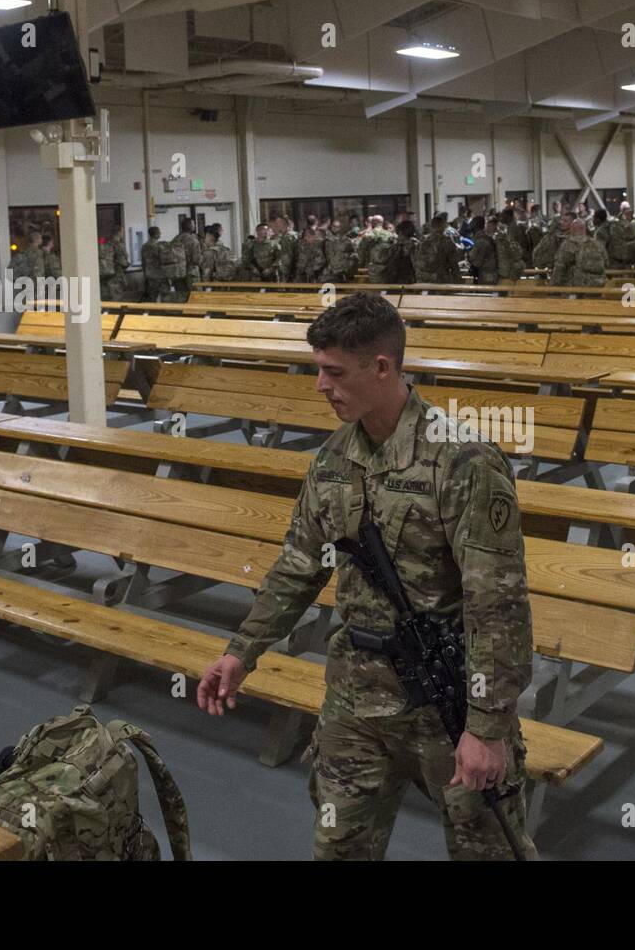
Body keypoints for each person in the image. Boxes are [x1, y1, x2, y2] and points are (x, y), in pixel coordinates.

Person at [196, 292, 537, 861]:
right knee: (340, 847)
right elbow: (298, 567)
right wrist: (241, 650)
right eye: (318, 370)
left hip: (442, 701)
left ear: (382, 367)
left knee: (487, 849)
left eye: (333, 372)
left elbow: (496, 604)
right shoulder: (333, 460)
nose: (320, 386)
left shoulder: (462, 461)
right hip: (355, 700)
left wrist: (489, 726)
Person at [551, 218, 607, 287]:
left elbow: (559, 267)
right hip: (599, 284)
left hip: (577, 286)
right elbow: (606, 262)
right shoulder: (597, 244)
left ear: (572, 229)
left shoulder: (568, 244)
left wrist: (553, 286)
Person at [413, 213, 462, 284]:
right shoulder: (447, 241)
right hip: (441, 280)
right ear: (443, 227)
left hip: (424, 280)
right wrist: (457, 281)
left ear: (431, 227)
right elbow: (454, 264)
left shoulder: (422, 241)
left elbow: (416, 261)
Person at [172, 218, 202, 300]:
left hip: (177, 273)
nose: (195, 226)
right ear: (190, 226)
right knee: (196, 297)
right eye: (194, 224)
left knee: (182, 297)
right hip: (191, 273)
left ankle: (184, 312)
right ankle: (197, 313)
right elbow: (197, 260)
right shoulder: (193, 240)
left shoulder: (175, 239)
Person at [98, 226, 130, 300]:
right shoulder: (117, 244)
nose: (123, 234)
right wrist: (127, 264)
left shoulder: (105, 242)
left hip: (103, 273)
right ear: (119, 232)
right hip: (115, 274)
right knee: (117, 296)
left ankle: (106, 310)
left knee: (105, 296)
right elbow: (122, 261)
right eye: (122, 232)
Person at [468, 217, 499, 285]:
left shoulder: (481, 241)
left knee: (485, 294)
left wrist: (469, 257)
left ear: (475, 226)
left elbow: (477, 262)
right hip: (486, 275)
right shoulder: (483, 238)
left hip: (487, 276)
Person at [141, 226, 165, 300]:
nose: (160, 233)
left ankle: (151, 310)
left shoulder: (144, 246)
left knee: (151, 295)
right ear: (156, 234)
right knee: (164, 293)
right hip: (159, 273)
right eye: (159, 232)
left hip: (148, 273)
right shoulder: (159, 246)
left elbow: (143, 261)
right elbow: (164, 259)